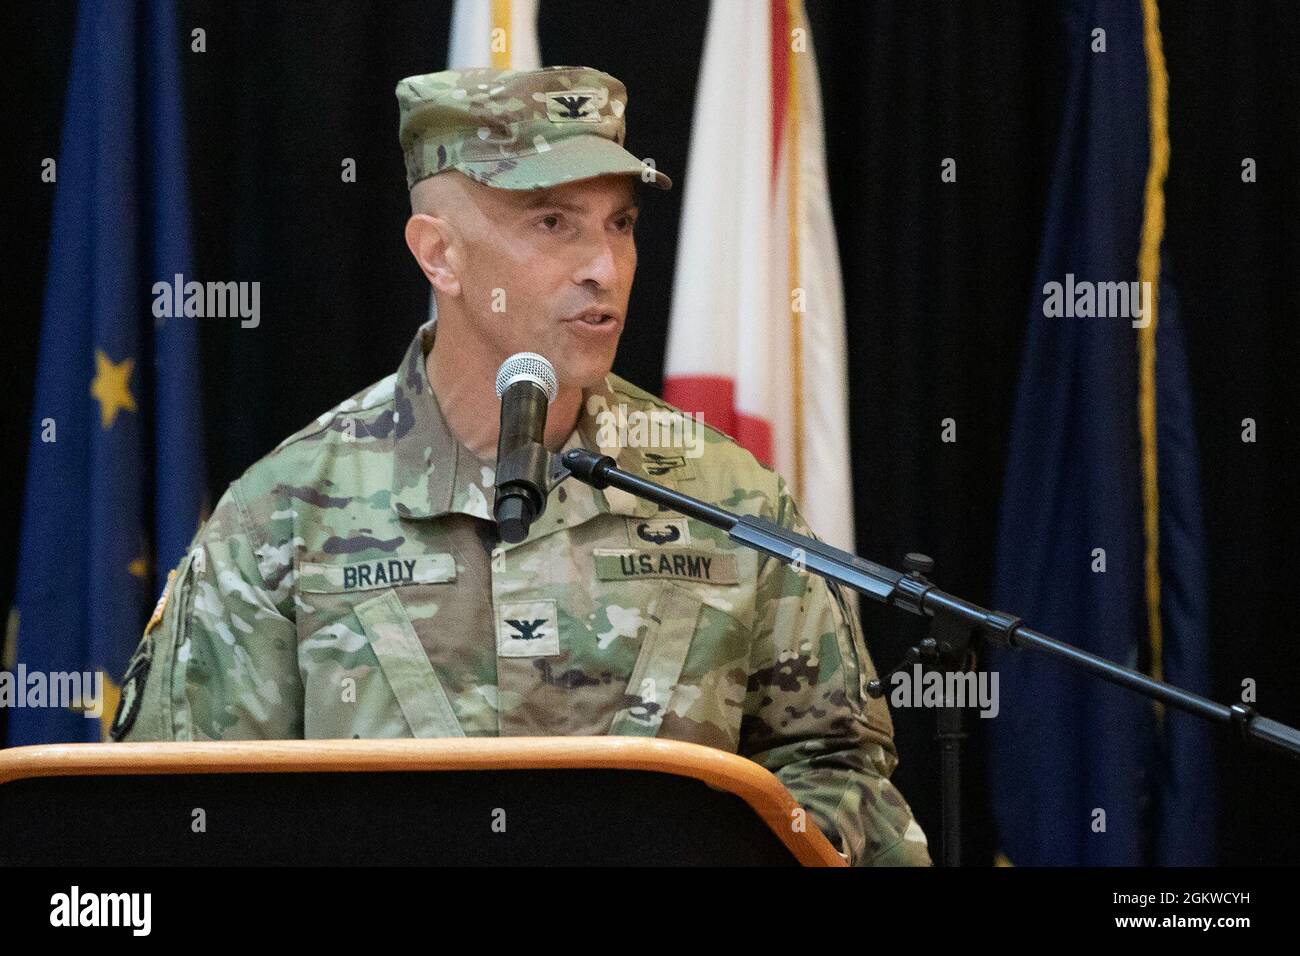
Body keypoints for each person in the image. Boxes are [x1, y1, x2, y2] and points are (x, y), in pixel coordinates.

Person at [113, 65, 931, 866]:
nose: (604, 269)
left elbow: (840, 772)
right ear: (440, 256)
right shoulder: (284, 514)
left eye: (621, 224)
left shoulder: (727, 496)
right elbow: (183, 817)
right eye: (553, 223)